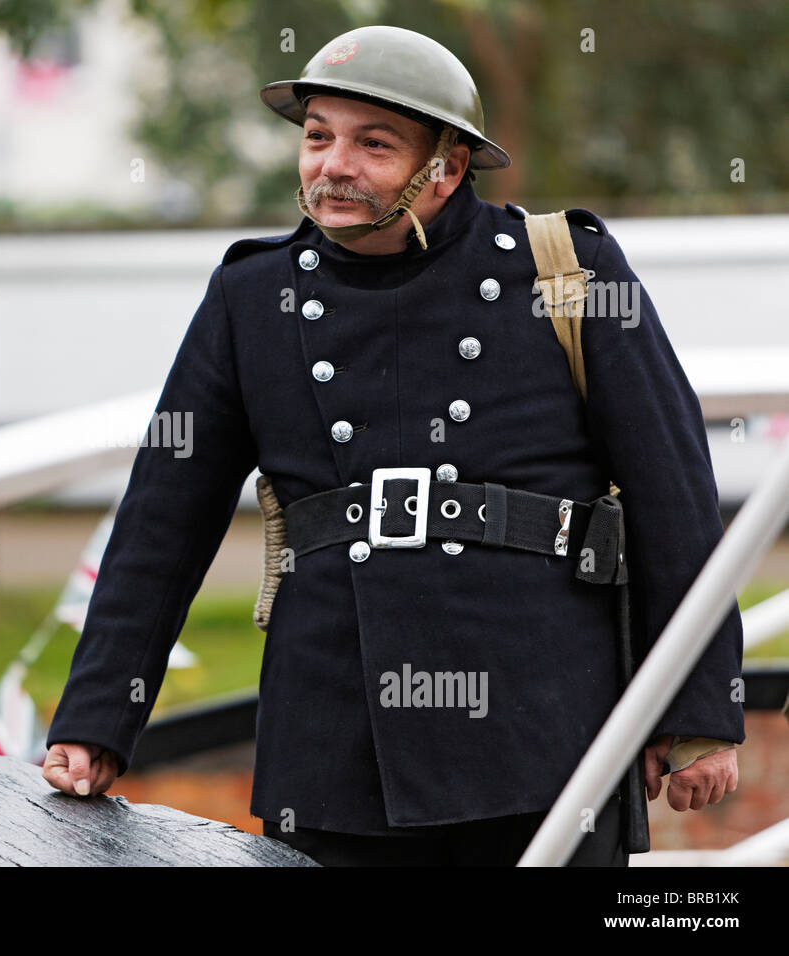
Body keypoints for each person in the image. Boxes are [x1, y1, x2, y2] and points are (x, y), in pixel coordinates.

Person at [41, 24, 742, 866]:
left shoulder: (569, 270)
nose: (333, 165)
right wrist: (96, 722)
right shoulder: (250, 296)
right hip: (333, 740)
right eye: (317, 137)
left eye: (373, 144)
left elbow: (675, 497)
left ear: (444, 167)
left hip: (546, 732)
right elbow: (161, 524)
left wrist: (699, 708)